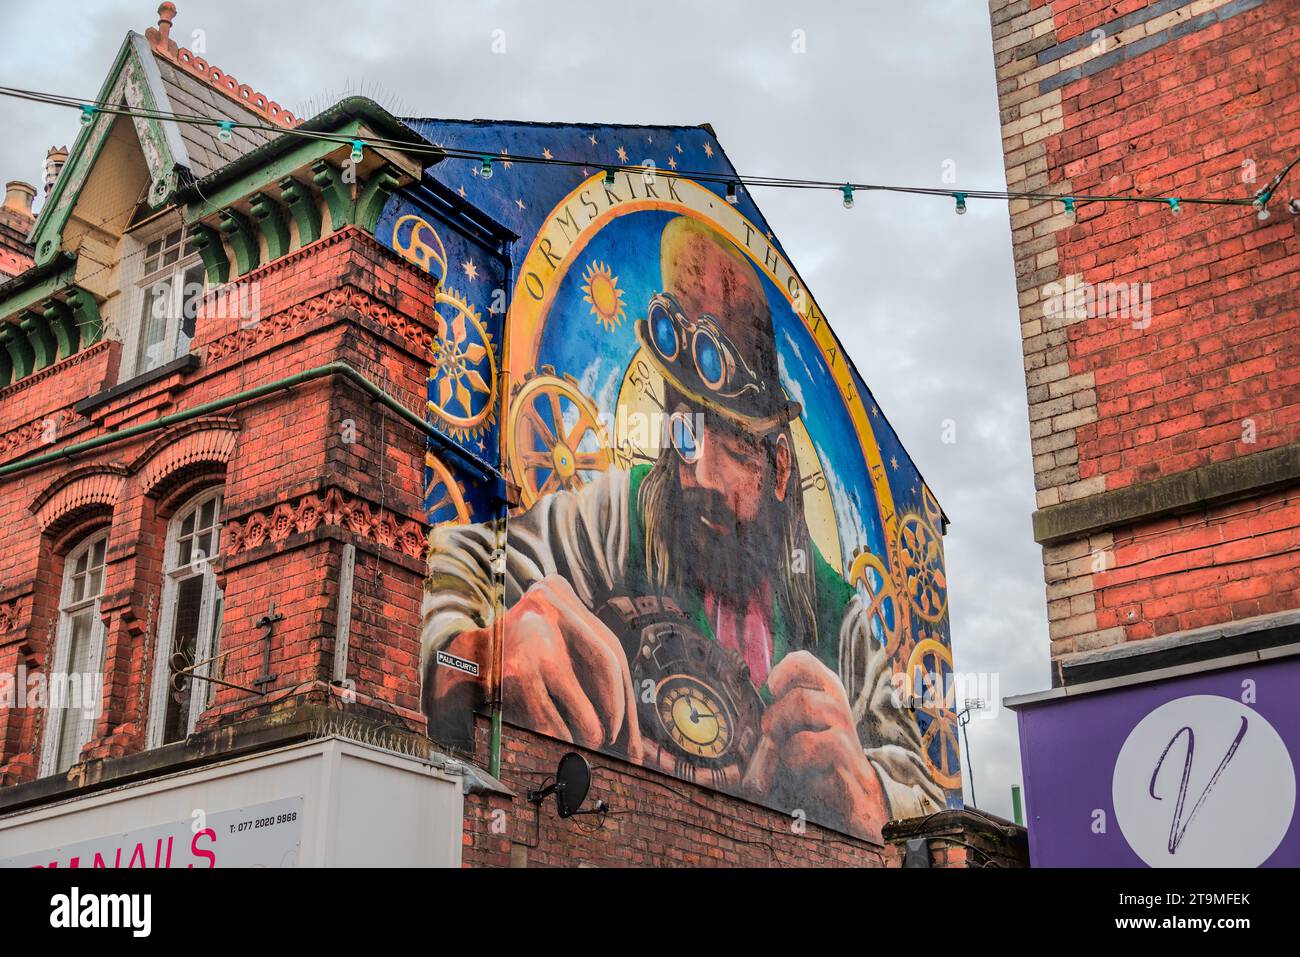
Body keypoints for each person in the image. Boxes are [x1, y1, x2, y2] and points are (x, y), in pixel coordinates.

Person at [422, 216, 942, 841]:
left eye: (726, 439)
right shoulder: (617, 517)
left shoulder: (844, 624)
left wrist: (875, 798)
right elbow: (458, 564)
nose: (696, 468)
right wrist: (474, 657)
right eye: (684, 430)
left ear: (779, 466)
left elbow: (924, 794)